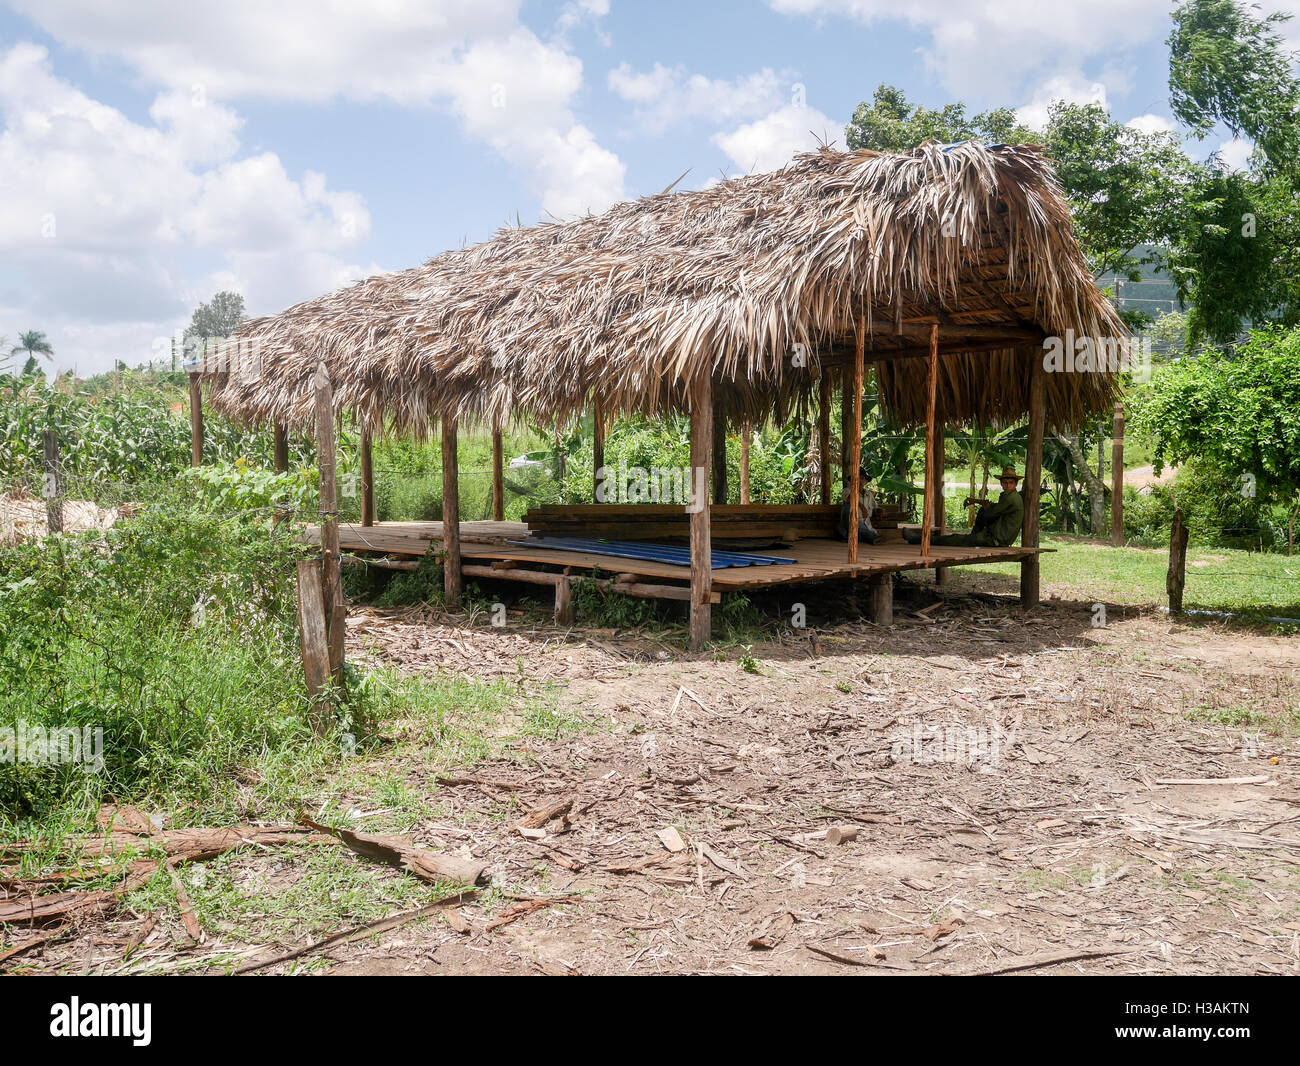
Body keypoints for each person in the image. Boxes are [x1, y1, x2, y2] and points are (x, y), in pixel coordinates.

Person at [903, 466, 1024, 547]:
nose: (1007, 485)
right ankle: (973, 537)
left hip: (995, 540)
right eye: (1005, 483)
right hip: (997, 538)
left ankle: (917, 539)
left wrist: (985, 507)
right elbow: (994, 507)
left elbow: (990, 514)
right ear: (1001, 483)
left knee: (955, 539)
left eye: (1010, 483)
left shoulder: (1010, 498)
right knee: (964, 534)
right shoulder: (1011, 496)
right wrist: (976, 501)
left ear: (1015, 484)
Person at [836, 467, 879, 544]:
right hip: (852, 524)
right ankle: (872, 537)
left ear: (866, 481)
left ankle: (868, 537)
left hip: (866, 524)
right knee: (856, 526)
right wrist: (861, 506)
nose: (860, 481)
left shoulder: (869, 494)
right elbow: (849, 499)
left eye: (862, 478)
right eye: (857, 478)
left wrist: (880, 511)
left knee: (866, 532)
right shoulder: (847, 491)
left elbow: (875, 507)